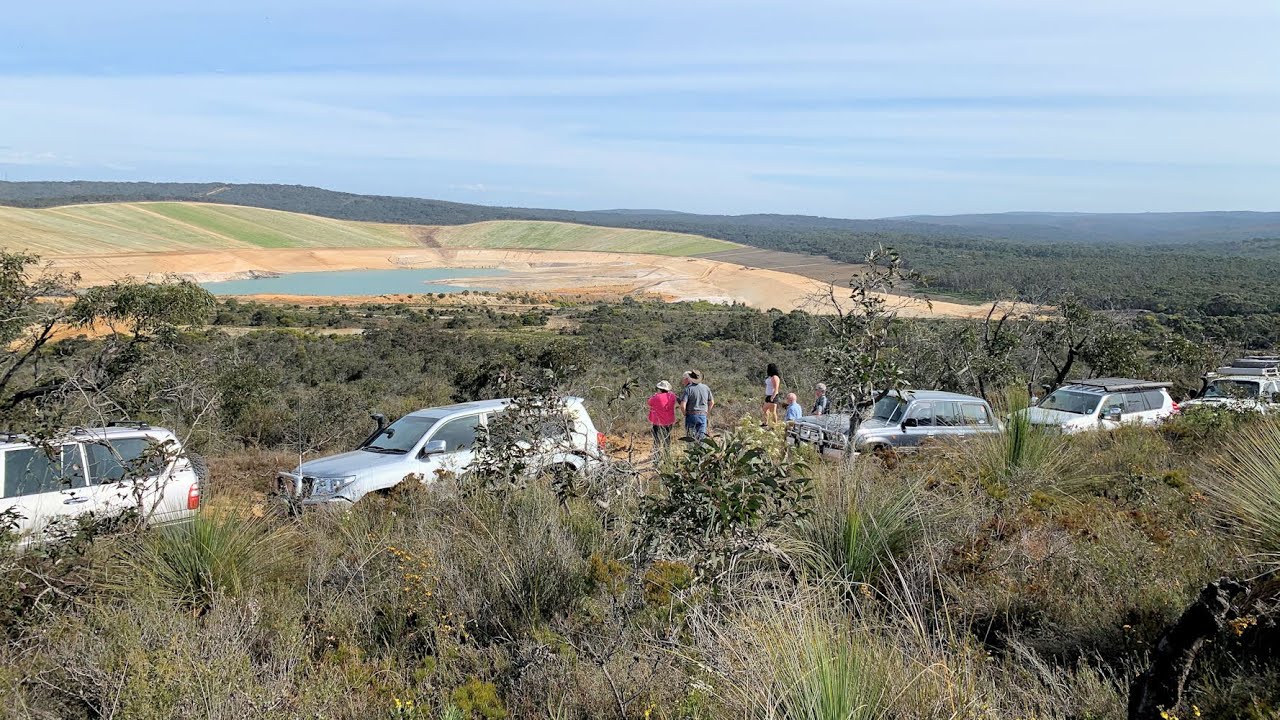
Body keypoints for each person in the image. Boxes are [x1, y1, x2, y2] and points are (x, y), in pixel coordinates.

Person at [680, 370, 714, 440]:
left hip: (691, 415)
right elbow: (712, 402)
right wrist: (707, 412)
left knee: (691, 439)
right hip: (702, 415)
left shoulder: (688, 389)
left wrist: (685, 413)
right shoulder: (706, 388)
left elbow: (683, 405)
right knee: (702, 439)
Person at [647, 380, 677, 457]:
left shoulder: (656, 397)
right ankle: (667, 455)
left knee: (656, 440)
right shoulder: (672, 396)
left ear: (660, 388)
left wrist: (654, 396)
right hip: (668, 421)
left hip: (657, 422)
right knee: (667, 439)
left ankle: (656, 456)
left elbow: (649, 403)